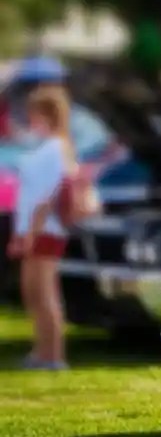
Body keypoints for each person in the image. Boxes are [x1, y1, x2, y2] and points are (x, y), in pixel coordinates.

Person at [8, 86, 78, 370]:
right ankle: (42, 350)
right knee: (34, 293)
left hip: (44, 230)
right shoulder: (47, 145)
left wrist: (30, 234)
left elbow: (46, 199)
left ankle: (53, 355)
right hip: (35, 229)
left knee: (44, 293)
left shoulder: (55, 148)